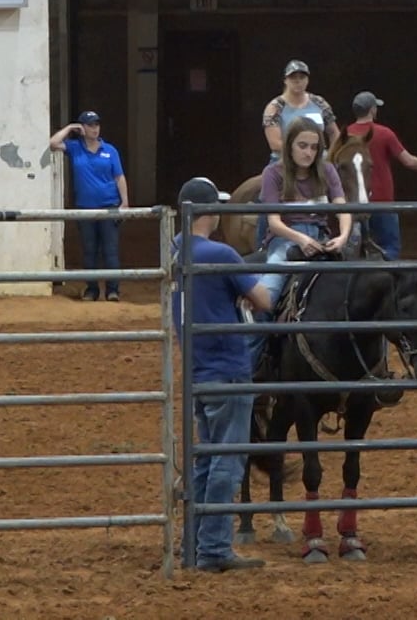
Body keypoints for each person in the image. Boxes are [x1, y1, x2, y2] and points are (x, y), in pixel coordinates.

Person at [171, 175, 272, 573]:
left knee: (204, 460)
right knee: (227, 463)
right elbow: (262, 300)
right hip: (227, 368)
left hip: (198, 368)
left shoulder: (175, 250)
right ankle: (213, 550)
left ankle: (192, 545)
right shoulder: (223, 254)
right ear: (209, 212)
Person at [257, 117, 352, 310]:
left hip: (322, 238)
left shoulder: (327, 170)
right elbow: (274, 222)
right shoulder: (273, 173)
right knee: (267, 297)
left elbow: (343, 209)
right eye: (302, 146)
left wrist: (342, 237)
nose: (308, 153)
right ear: (289, 145)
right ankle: (254, 337)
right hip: (286, 238)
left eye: (314, 147)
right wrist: (300, 239)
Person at [343, 91, 417, 259]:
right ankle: (386, 281)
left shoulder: (345, 135)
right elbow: (408, 161)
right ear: (372, 110)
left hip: (355, 205)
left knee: (355, 251)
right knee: (390, 247)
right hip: (382, 202)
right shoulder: (384, 133)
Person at [48, 110, 129, 302]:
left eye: (97, 125)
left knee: (110, 251)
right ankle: (92, 289)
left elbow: (119, 177)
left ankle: (112, 290)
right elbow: (52, 144)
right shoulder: (75, 148)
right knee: (89, 251)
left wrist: (125, 202)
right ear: (82, 128)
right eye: (90, 125)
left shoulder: (110, 150)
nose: (95, 128)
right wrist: (69, 128)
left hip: (109, 206)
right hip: (85, 208)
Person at [257, 60, 338, 245]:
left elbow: (334, 133)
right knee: (265, 196)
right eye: (293, 78)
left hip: (319, 160)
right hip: (284, 162)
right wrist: (297, 150)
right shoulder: (275, 107)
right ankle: (263, 240)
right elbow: (274, 142)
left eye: (302, 77)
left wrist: (328, 155)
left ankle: (358, 236)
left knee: (350, 186)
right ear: (285, 80)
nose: (298, 81)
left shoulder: (319, 103)